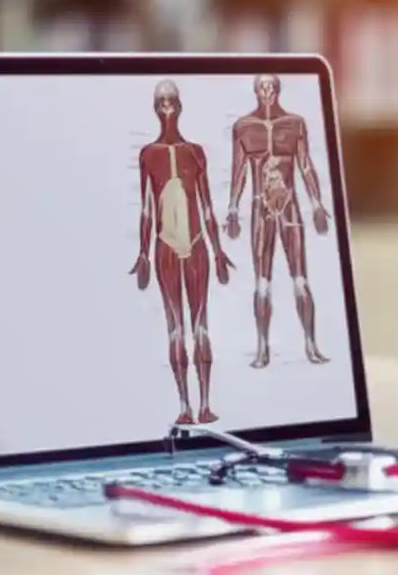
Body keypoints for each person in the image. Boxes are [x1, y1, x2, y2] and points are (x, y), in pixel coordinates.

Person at [131, 79, 234, 426]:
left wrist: (218, 251)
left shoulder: (195, 152)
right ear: (154, 107)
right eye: (160, 101)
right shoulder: (149, 155)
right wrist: (143, 253)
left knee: (200, 324)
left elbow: (206, 205)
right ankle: (184, 407)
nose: (166, 107)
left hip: (197, 245)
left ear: (179, 104)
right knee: (175, 326)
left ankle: (204, 405)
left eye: (171, 100)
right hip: (166, 246)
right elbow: (146, 206)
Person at [225, 74, 332, 368]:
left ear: (279, 89)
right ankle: (262, 349)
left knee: (300, 279)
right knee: (262, 283)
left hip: (290, 207)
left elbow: (306, 164)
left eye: (272, 87)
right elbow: (239, 171)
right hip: (261, 209)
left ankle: (311, 345)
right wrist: (233, 209)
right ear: (256, 91)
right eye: (263, 87)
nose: (268, 92)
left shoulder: (295, 124)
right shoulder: (244, 128)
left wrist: (317, 204)